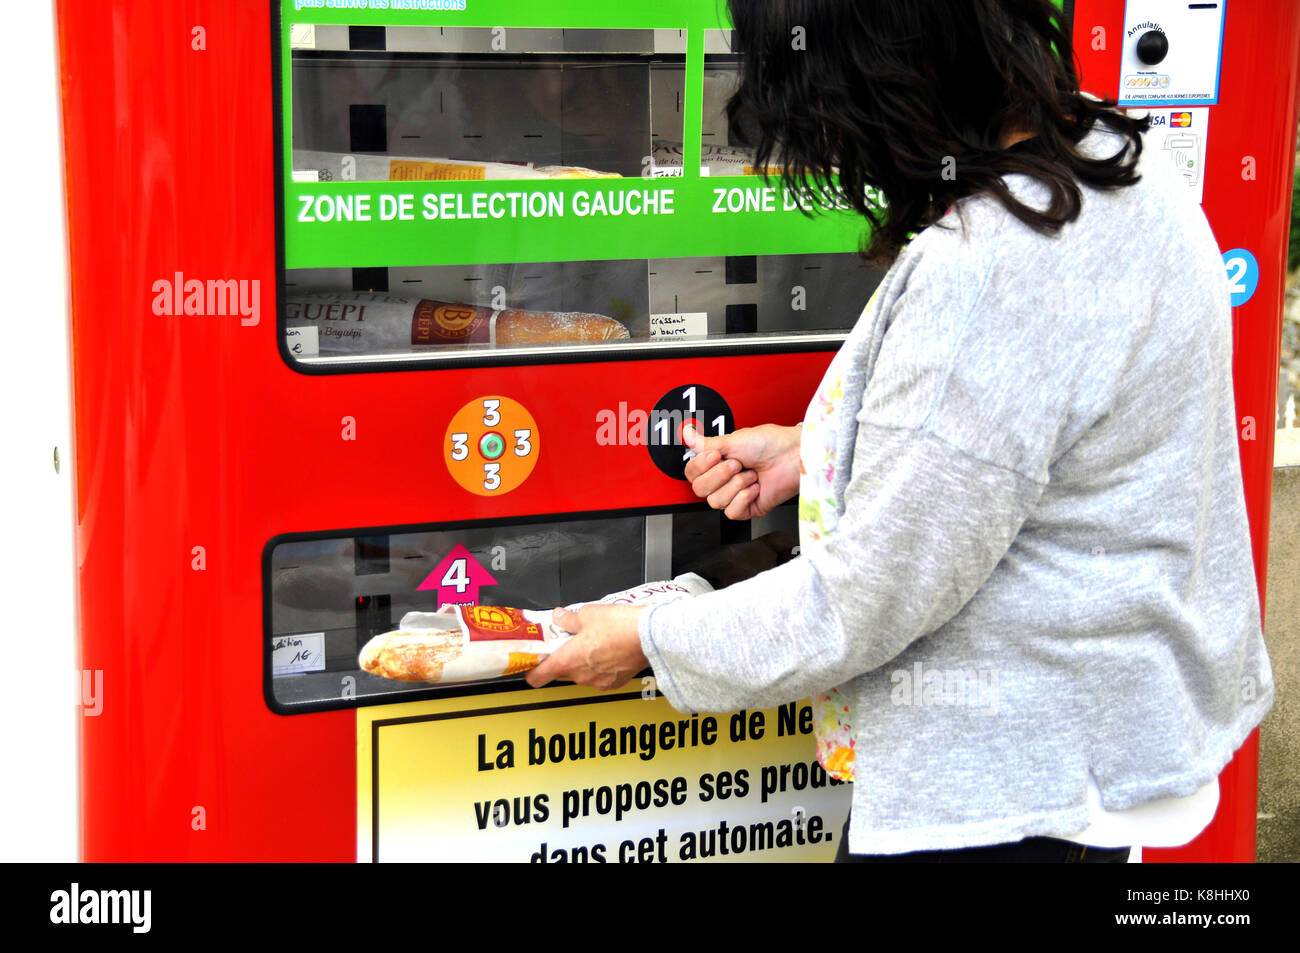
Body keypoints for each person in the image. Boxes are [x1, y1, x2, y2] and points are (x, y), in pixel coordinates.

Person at [527, 0, 1273, 862]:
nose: (838, 155)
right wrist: (820, 448)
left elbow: (862, 602)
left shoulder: (991, 270)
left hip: (1006, 797)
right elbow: (1044, 440)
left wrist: (648, 642)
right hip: (1115, 742)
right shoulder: (1115, 164)